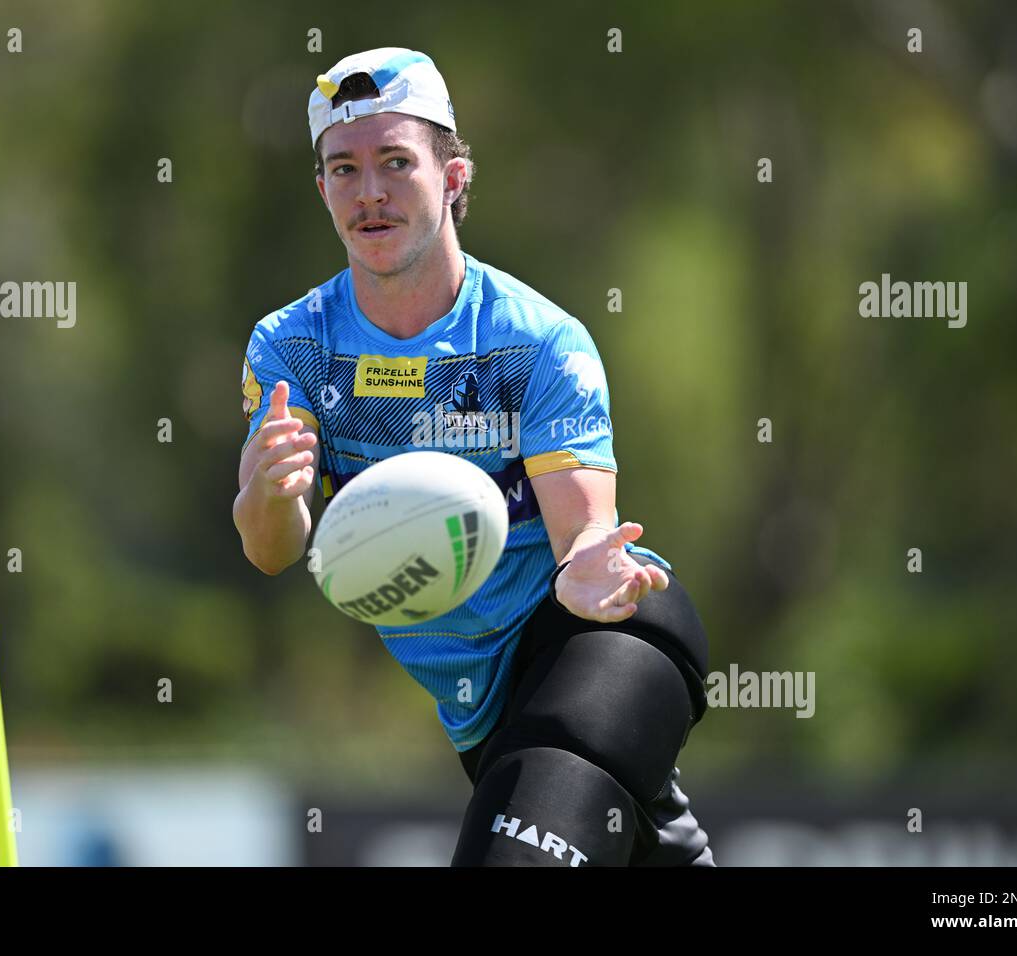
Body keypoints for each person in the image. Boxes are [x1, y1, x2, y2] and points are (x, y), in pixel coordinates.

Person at [233, 47, 714, 866]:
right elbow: (270, 550)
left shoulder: (539, 342)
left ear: (453, 178)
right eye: (343, 170)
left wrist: (592, 561)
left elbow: (583, 541)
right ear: (322, 190)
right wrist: (273, 494)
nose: (371, 193)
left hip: (601, 639)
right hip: (484, 715)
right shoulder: (293, 347)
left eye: (396, 163)